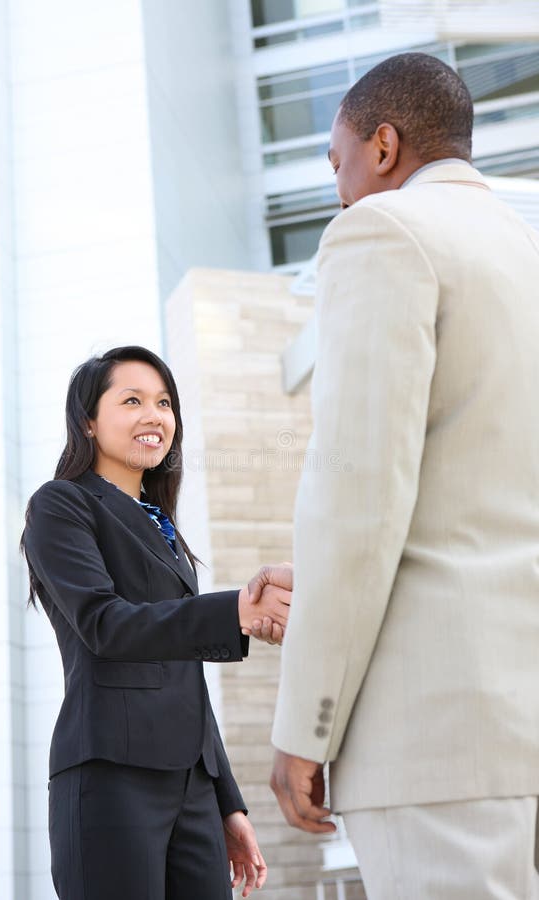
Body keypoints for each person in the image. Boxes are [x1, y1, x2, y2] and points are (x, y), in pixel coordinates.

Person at [270, 52, 539, 900]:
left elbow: (358, 498)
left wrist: (304, 724)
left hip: (439, 732)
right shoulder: (524, 251)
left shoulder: (381, 233)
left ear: (383, 146)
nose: (340, 187)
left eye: (339, 160)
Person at [20, 345, 293, 900]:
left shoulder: (163, 527)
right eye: (133, 400)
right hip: (110, 774)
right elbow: (106, 625)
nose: (155, 415)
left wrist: (226, 801)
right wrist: (236, 609)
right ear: (89, 422)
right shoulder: (61, 505)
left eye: (165, 402)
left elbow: (183, 675)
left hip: (192, 786)